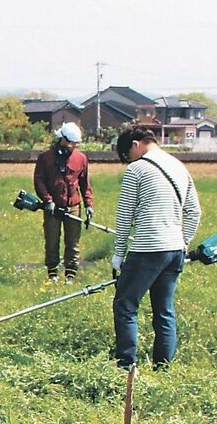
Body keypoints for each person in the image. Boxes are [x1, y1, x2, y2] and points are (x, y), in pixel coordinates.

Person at [111, 126, 202, 370]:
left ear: (136, 144)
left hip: (147, 249)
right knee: (164, 309)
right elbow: (194, 211)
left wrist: (119, 253)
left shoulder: (137, 169)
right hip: (174, 251)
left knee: (125, 305)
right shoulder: (178, 166)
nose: (128, 160)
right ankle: (163, 367)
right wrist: (183, 242)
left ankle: (126, 366)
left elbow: (124, 215)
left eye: (126, 154)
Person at [33, 121, 94, 283]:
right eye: (72, 142)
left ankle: (70, 274)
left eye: (76, 143)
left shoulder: (81, 159)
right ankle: (52, 273)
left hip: (73, 206)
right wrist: (47, 200)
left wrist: (88, 204)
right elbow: (39, 181)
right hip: (52, 207)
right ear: (63, 139)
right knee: (52, 240)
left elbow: (85, 184)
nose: (74, 146)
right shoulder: (45, 158)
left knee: (73, 241)